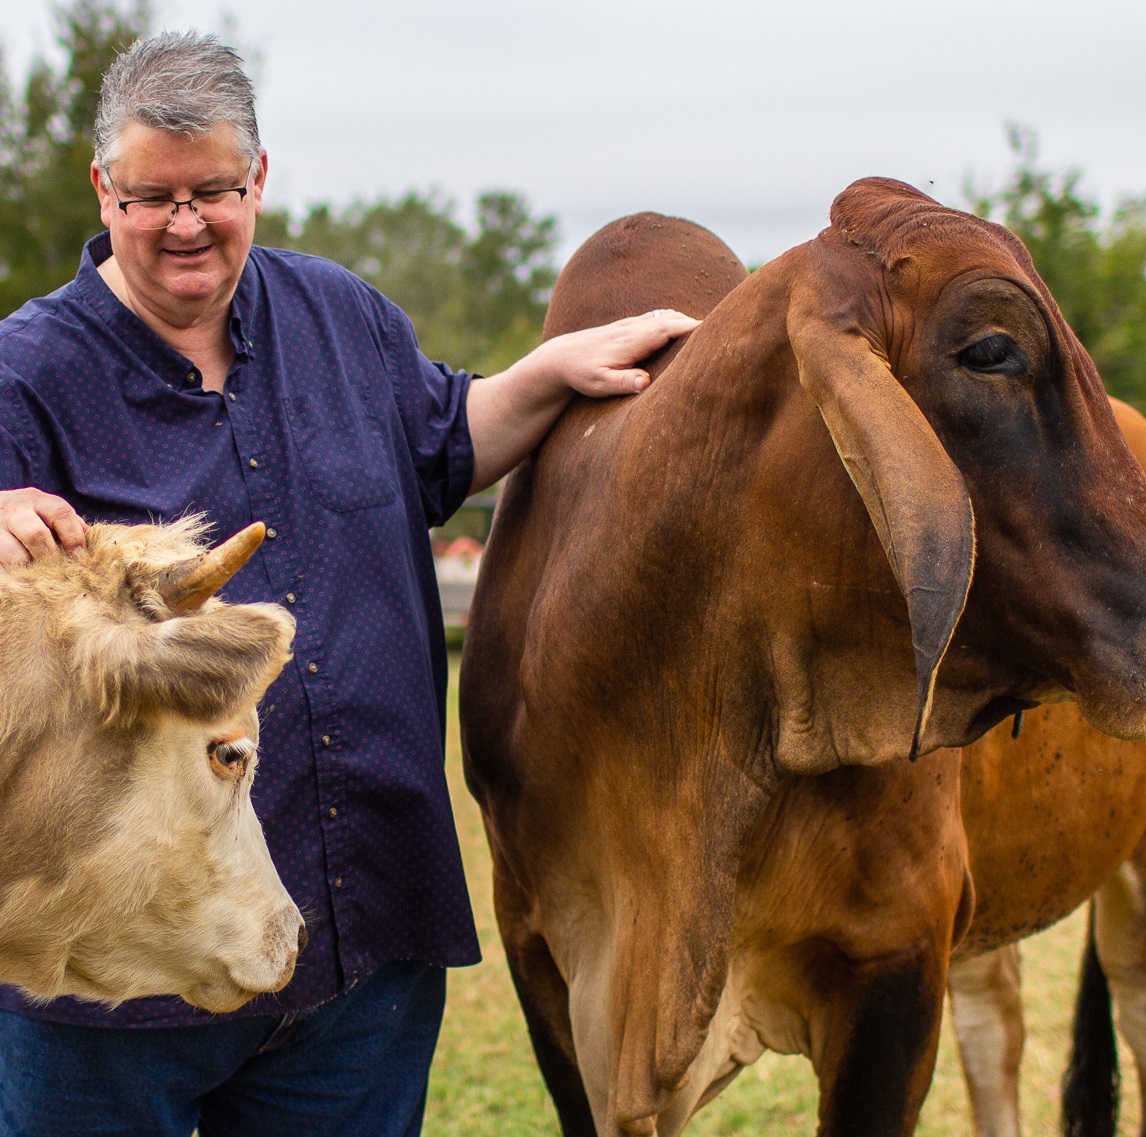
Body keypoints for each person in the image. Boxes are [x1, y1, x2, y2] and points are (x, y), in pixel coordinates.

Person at [0, 30, 696, 1137]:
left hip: (364, 918)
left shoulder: (342, 316)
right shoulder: (26, 372)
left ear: (259, 180)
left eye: (215, 191)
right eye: (153, 196)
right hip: (124, 973)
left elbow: (441, 447)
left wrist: (547, 373)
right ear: (105, 190)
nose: (187, 223)